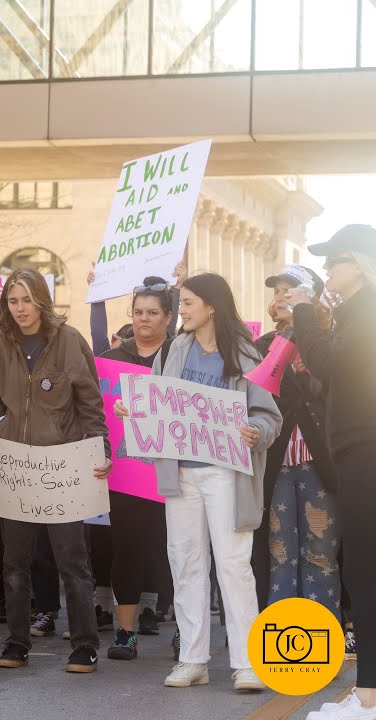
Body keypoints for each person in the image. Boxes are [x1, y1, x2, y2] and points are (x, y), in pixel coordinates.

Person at [115, 272, 281, 692]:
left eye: (187, 303)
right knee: (185, 563)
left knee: (233, 566)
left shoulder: (245, 353)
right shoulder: (174, 350)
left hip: (227, 474)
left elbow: (268, 415)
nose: (181, 310)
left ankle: (247, 664)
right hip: (181, 474)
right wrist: (131, 410)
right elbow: (155, 404)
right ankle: (193, 659)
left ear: (211, 306)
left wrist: (256, 431)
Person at [0, 267, 111, 674]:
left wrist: (101, 450)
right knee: (14, 563)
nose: (20, 309)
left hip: (64, 468)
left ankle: (85, 644)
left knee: (72, 561)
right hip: (17, 470)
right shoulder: (2, 345)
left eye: (27, 300)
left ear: (42, 300)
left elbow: (91, 405)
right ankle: (17, 641)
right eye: (13, 301)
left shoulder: (70, 341)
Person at [284, 225, 376, 720]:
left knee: (364, 567)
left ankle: (370, 691)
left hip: (367, 448)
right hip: (358, 445)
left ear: (358, 265)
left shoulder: (366, 311)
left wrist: (303, 312)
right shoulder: (355, 314)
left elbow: (327, 361)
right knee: (363, 565)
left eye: (334, 261)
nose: (327, 270)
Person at [89, 274, 179, 661]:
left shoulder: (180, 357)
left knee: (175, 549)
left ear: (168, 317)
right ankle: (125, 632)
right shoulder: (110, 361)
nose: (144, 319)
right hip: (126, 473)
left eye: (153, 313)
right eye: (138, 312)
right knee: (126, 547)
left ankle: (184, 630)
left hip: (174, 469)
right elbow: (92, 412)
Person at [253, 265, 341, 624]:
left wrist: (308, 369)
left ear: (310, 296)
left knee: (321, 549)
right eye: (277, 291)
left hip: (319, 461)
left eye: (289, 290)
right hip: (275, 461)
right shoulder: (260, 346)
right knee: (279, 549)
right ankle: (281, 632)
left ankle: (323, 632)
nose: (281, 297)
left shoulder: (327, 340)